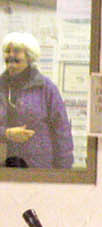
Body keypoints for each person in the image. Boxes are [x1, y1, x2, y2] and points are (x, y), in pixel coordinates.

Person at [1, 31, 71, 169]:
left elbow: (62, 131)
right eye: (8, 60)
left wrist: (64, 172)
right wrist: (6, 134)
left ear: (29, 59)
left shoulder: (46, 88)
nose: (11, 65)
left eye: (16, 60)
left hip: (38, 168)